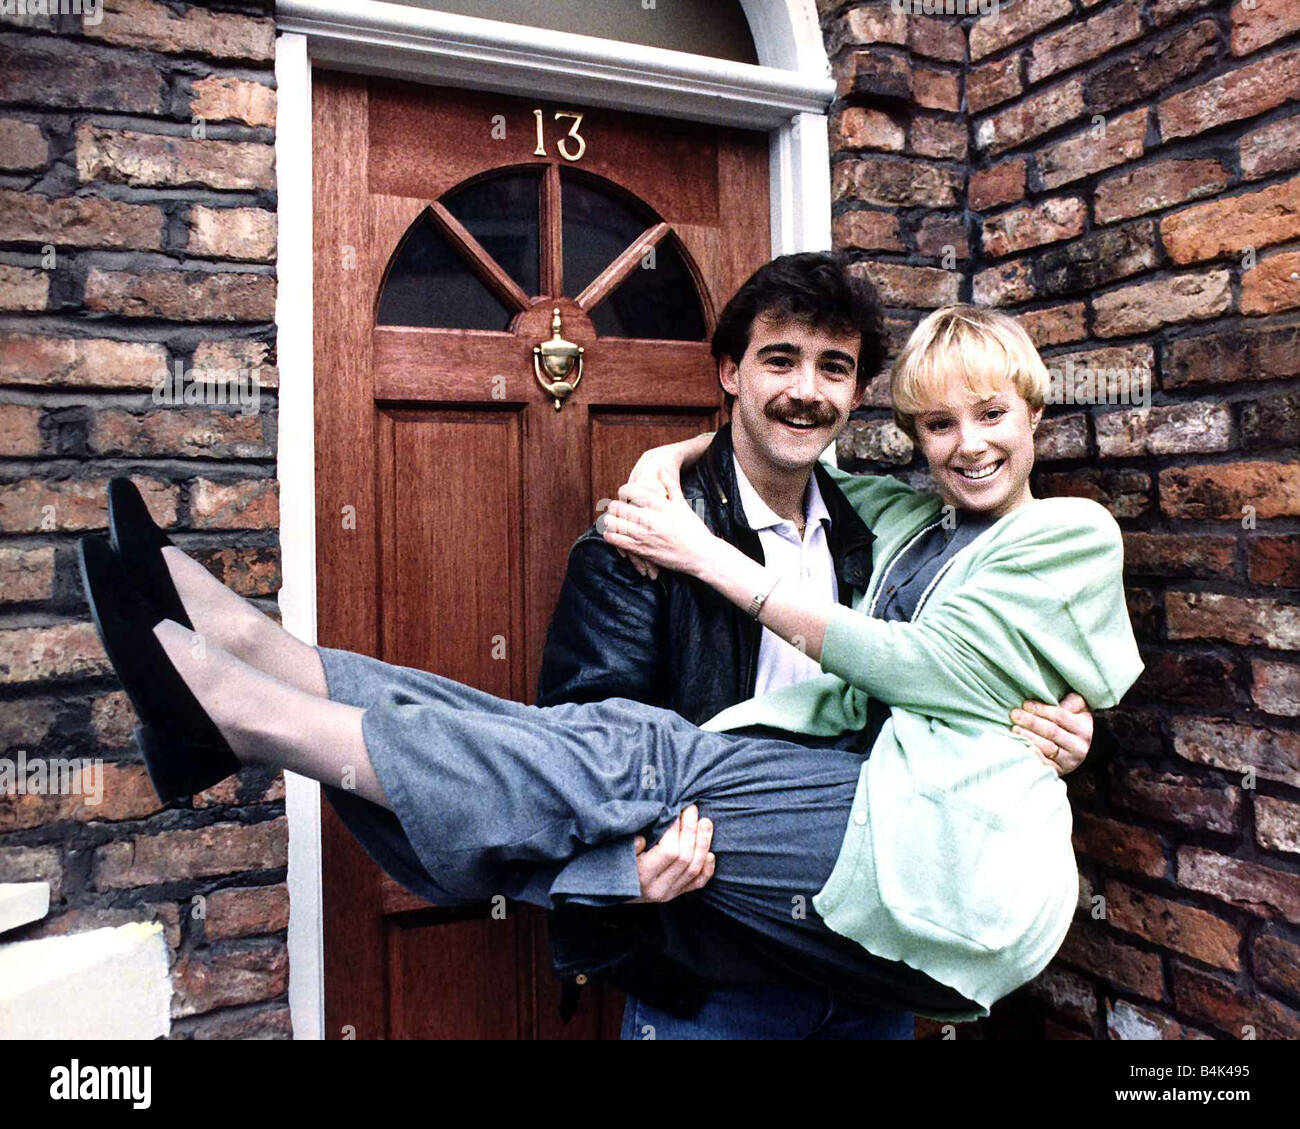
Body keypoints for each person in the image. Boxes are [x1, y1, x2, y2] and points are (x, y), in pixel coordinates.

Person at [76, 302, 1142, 1024]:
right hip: (772, 902)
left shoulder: (1068, 531)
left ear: (1033, 413)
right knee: (617, 743)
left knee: (645, 754)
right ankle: (261, 667)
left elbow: (928, 665)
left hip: (941, 863)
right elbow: (763, 453)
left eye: (990, 415)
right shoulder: (907, 519)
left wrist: (705, 557)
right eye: (936, 424)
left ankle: (241, 714)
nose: (966, 445)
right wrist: (662, 464)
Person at [534, 253, 1095, 1040]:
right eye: (779, 360)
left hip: (866, 956)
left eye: (833, 367)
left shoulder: (887, 527)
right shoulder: (644, 540)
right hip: (714, 967)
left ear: (857, 393)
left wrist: (1049, 727)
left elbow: (947, 675)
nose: (806, 390)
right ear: (730, 371)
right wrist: (622, 867)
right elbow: (580, 736)